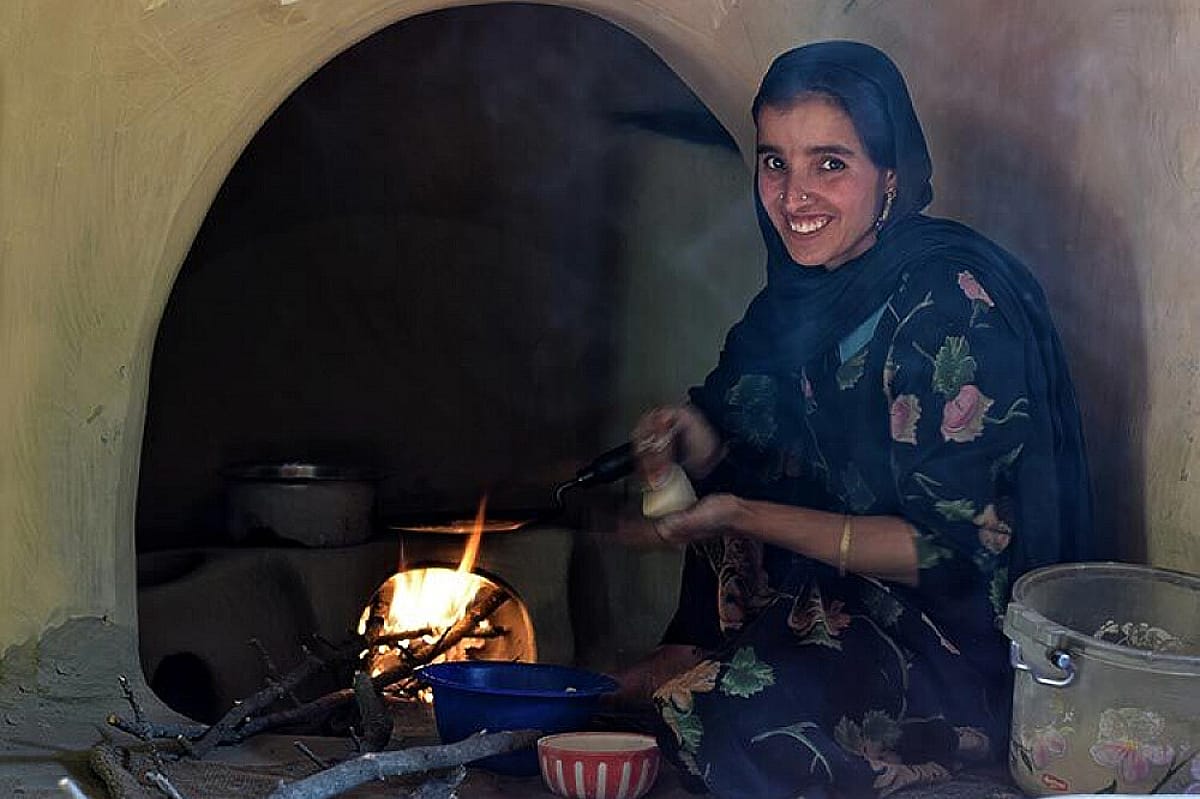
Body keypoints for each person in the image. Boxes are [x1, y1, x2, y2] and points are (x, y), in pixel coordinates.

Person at [616, 41, 1093, 799]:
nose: (794, 195)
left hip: (954, 646)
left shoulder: (948, 305)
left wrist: (745, 512)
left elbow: (948, 552)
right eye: (775, 162)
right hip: (840, 602)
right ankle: (698, 657)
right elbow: (742, 431)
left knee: (739, 715)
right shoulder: (796, 300)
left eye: (829, 163)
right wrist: (681, 439)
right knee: (688, 666)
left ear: (892, 175)